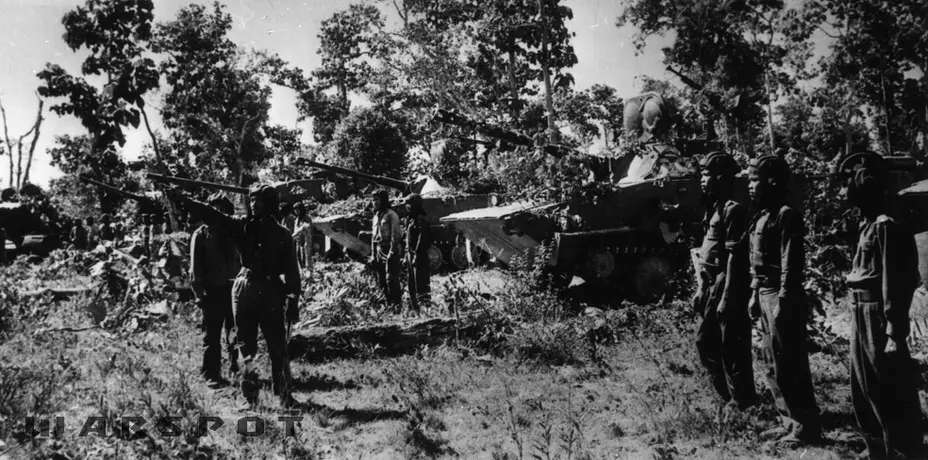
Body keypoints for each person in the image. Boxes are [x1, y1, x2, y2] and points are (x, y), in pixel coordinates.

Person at [167, 184, 301, 408]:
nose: (253, 204)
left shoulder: (283, 235)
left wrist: (293, 299)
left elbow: (292, 271)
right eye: (251, 200)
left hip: (270, 290)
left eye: (258, 200)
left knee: (277, 345)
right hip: (244, 288)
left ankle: (285, 393)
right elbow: (212, 214)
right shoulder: (242, 226)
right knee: (244, 345)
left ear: (269, 203)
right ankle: (249, 396)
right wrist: (184, 199)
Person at [838, 151, 924, 460]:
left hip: (876, 313)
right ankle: (876, 446)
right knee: (863, 384)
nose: (842, 191)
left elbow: (897, 283)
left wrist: (892, 331)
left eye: (848, 182)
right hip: (860, 310)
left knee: (889, 386)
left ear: (865, 183)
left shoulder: (887, 225)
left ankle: (902, 448)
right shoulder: (868, 224)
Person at [747, 154, 821, 447]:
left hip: (781, 294)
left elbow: (791, 264)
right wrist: (754, 293)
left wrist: (784, 300)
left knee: (790, 364)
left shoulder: (787, 215)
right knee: (771, 362)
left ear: (773, 181)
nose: (750, 186)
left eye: (755, 180)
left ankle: (806, 427)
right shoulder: (764, 215)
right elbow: (758, 262)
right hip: (765, 293)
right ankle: (787, 421)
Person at [693, 151, 756, 410]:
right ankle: (729, 397)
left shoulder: (733, 210)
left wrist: (727, 296)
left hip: (727, 282)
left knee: (732, 343)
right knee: (705, 342)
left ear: (721, 178)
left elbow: (735, 258)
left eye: (707, 175)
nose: (702, 180)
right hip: (712, 283)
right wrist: (700, 288)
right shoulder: (715, 208)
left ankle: (743, 401)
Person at [189, 193, 242, 389]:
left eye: (222, 209)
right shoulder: (202, 234)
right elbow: (195, 268)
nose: (218, 213)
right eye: (214, 209)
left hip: (234, 290)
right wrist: (198, 293)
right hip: (213, 291)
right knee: (211, 336)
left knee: (235, 333)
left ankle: (238, 371)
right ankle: (211, 373)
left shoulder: (235, 231)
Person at [369, 190, 403, 308]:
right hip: (379, 250)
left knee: (391, 280)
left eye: (377, 199)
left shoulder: (391, 215)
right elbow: (373, 237)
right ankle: (387, 306)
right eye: (373, 200)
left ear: (383, 200)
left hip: (390, 250)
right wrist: (373, 254)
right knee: (381, 280)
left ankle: (397, 306)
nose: (374, 202)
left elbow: (396, 235)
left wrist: (392, 252)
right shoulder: (375, 217)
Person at [404, 193, 432, 312]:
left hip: (419, 255)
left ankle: (425, 308)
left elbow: (423, 239)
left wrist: (417, 255)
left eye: (409, 204)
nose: (407, 206)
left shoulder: (421, 220)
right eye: (406, 204)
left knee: (421, 284)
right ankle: (414, 309)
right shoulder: (410, 219)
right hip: (410, 254)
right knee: (412, 284)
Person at [292, 202, 314, 272]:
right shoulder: (296, 219)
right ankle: (303, 272)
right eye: (295, 210)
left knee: (306, 259)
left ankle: (308, 273)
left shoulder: (307, 218)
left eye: (297, 210)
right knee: (299, 259)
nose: (296, 211)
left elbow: (306, 229)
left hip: (305, 242)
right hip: (298, 242)